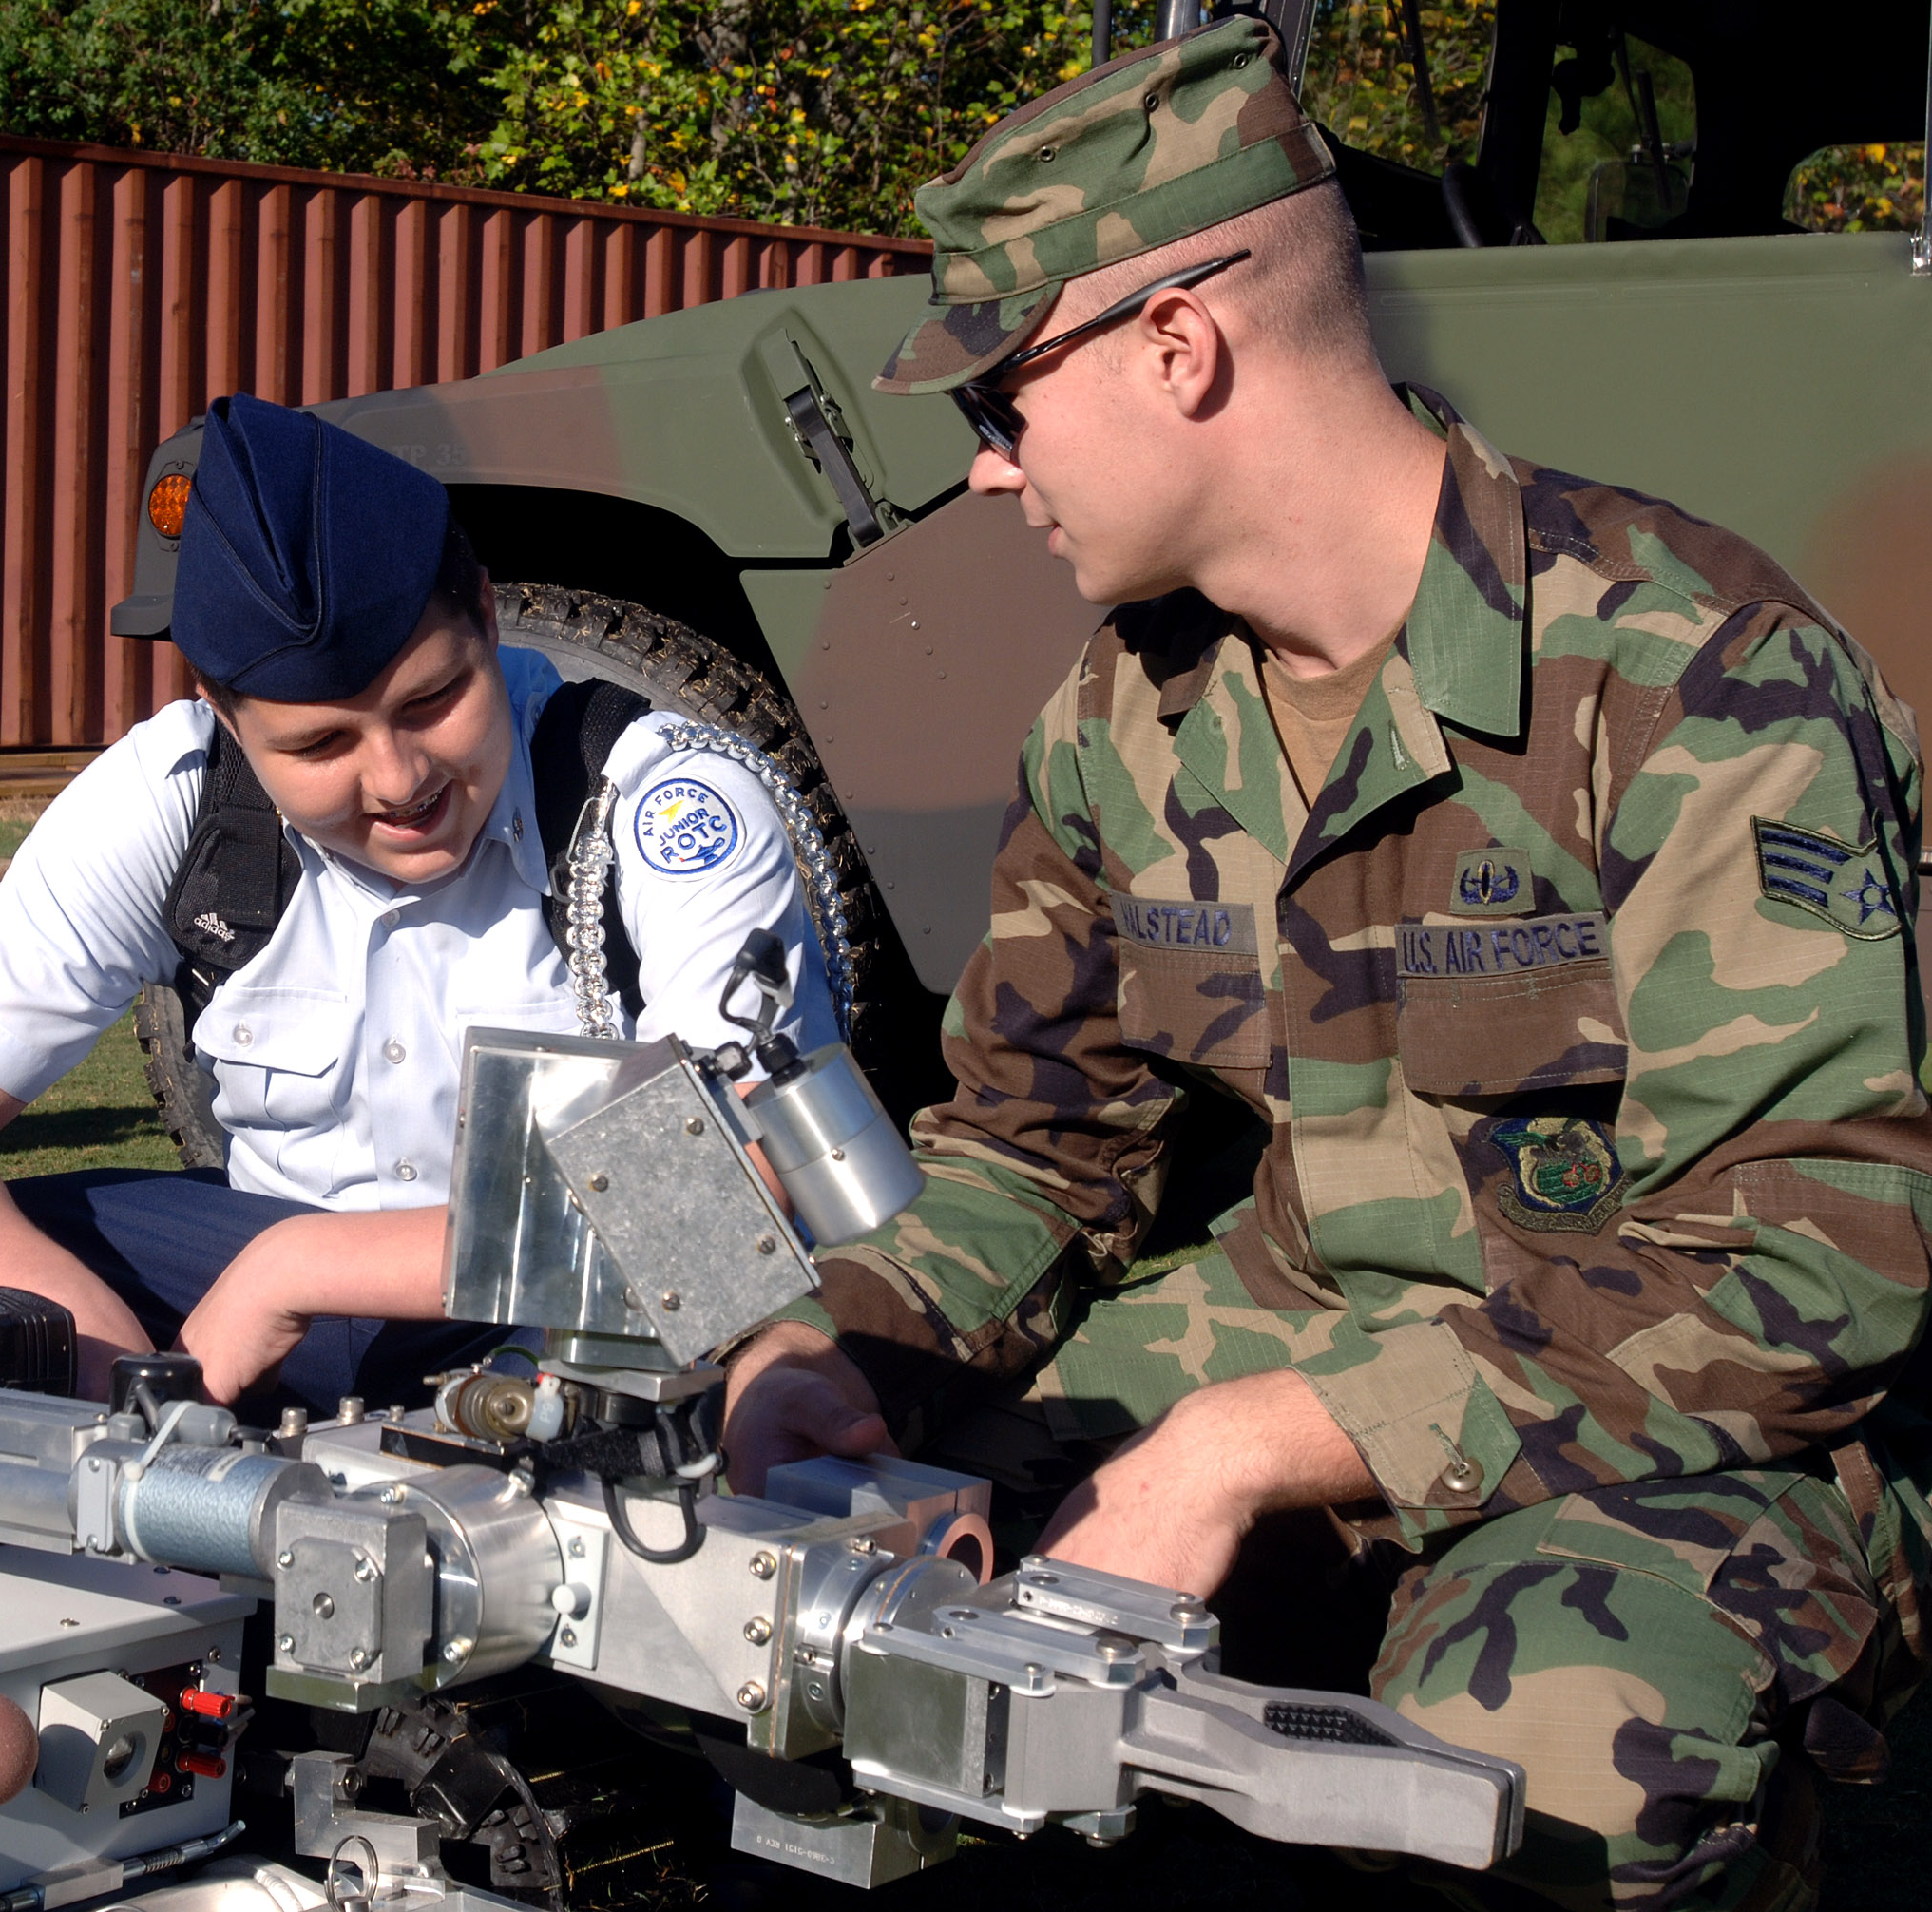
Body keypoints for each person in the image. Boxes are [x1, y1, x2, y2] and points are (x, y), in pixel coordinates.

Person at [718, 17, 1932, 1909]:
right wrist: (845, 1331)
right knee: (865, 1620)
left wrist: (1248, 1450)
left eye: (1000, 405)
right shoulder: (1127, 712)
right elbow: (1035, 1152)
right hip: (1294, 1343)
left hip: (1671, 1426)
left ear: (1179, 350)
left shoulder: (1683, 671)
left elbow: (1813, 1253)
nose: (986, 476)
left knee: (1534, 1775)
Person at [0, 393, 837, 1414]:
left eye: (432, 701)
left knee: (702, 1345)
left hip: (561, 1297)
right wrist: (83, 1343)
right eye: (320, 746)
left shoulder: (658, 796)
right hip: (263, 1283)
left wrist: (293, 1269)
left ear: (484, 613)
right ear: (223, 709)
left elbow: (740, 1188)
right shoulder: (177, 792)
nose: (397, 780)